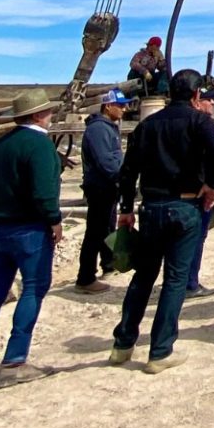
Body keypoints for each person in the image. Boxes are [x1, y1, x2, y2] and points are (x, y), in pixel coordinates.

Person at [109, 68, 214, 374]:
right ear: (197, 94)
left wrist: (125, 208)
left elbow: (127, 171)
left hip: (152, 208)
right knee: (174, 280)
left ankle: (122, 344)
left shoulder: (147, 126)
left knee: (143, 277)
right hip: (185, 207)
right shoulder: (200, 122)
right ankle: (160, 351)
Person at [0, 88, 63, 385]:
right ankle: (14, 360)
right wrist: (54, 221)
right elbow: (44, 191)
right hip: (30, 230)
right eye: (47, 111)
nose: (50, 115)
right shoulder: (40, 146)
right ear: (36, 114)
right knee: (33, 288)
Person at [75, 88, 127, 292]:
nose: (125, 109)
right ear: (108, 106)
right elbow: (106, 161)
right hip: (100, 187)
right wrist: (121, 175)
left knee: (107, 226)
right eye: (120, 105)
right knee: (95, 231)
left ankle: (108, 264)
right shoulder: (98, 129)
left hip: (108, 186)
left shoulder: (108, 127)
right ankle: (85, 278)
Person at [184, 86, 214, 299]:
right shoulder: (203, 126)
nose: (212, 104)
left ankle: (182, 281)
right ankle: (190, 283)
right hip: (198, 194)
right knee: (195, 237)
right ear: (197, 100)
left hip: (190, 191)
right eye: (209, 100)